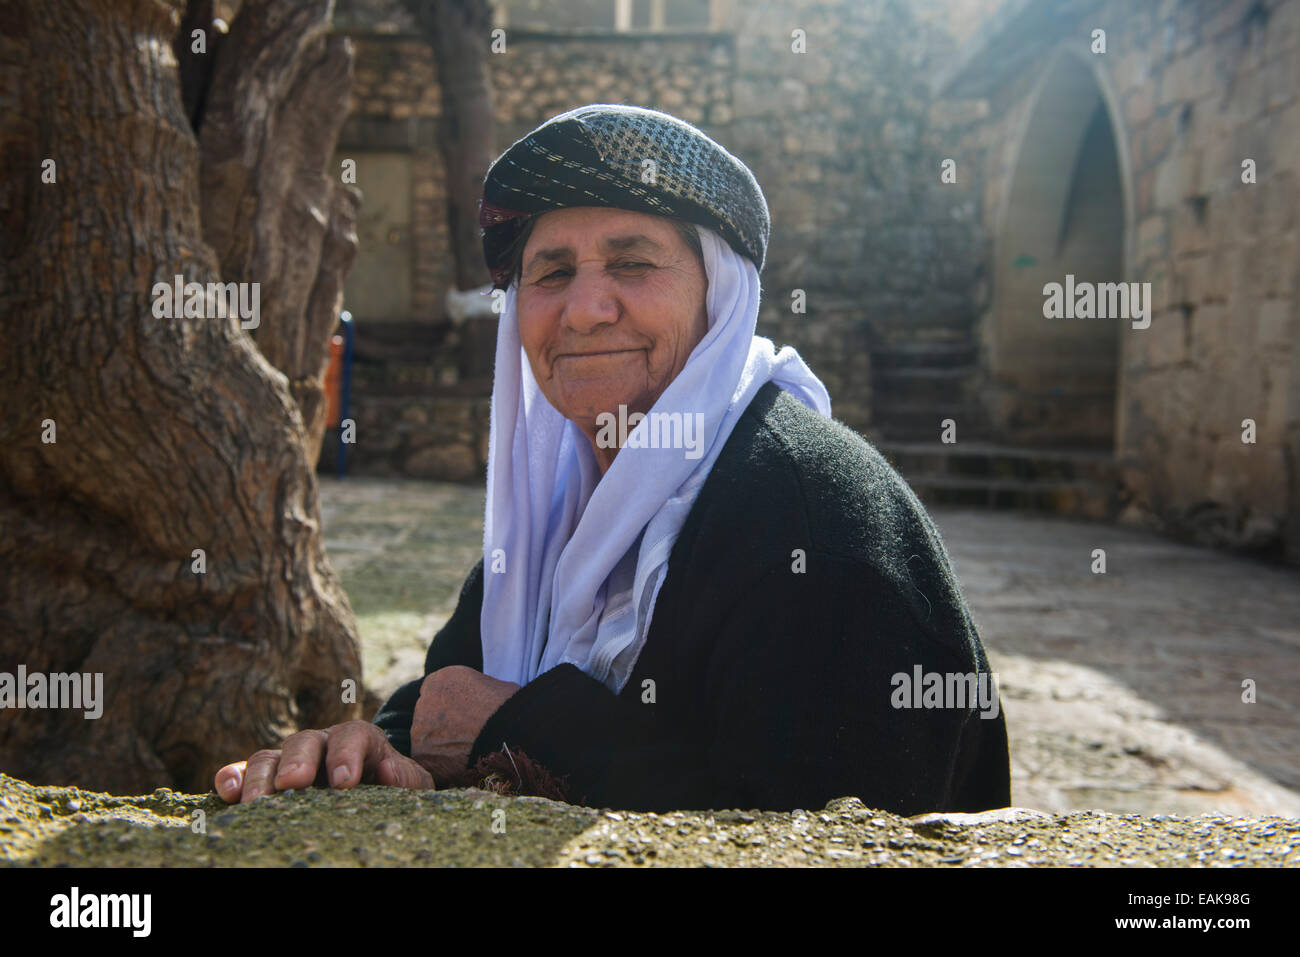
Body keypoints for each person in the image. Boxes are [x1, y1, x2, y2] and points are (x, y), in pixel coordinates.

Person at [215, 104, 1010, 814]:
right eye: (552, 272)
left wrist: (518, 727)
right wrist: (367, 749)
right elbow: (451, 700)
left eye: (632, 262)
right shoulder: (558, 511)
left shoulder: (807, 522)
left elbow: (809, 828)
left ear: (718, 293)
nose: (587, 309)